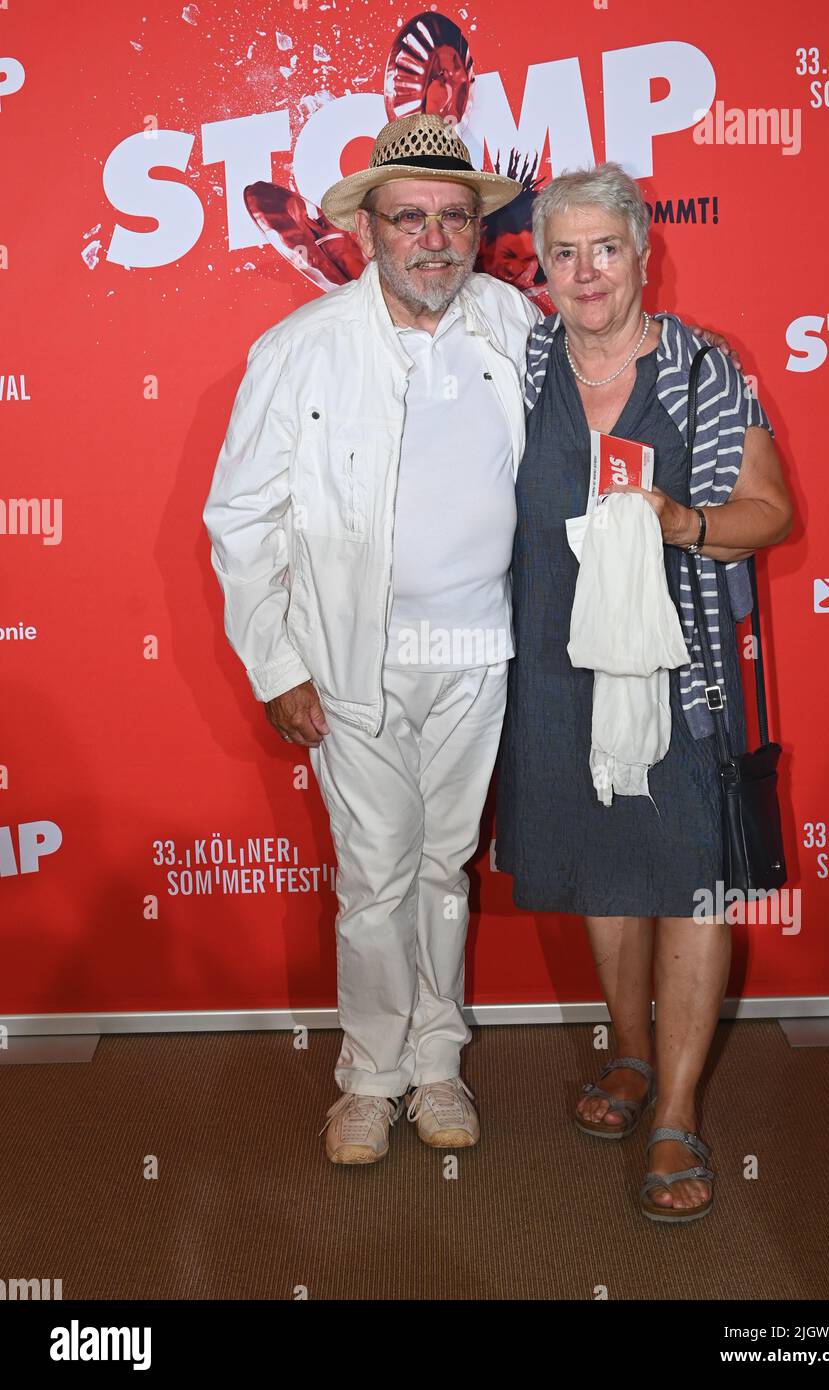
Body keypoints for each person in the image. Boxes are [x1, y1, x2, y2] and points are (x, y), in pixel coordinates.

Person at [203, 113, 539, 1163]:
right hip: (351, 662)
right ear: (366, 231)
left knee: (443, 869)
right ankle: (368, 1075)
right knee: (375, 875)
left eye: (453, 218)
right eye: (409, 219)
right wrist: (277, 661)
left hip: (481, 655)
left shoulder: (520, 333)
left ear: (477, 229)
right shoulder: (298, 352)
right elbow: (239, 518)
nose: (434, 239)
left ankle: (436, 1066)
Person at [493, 164, 793, 1222]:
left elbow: (767, 509)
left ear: (641, 255)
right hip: (555, 663)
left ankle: (672, 1111)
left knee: (689, 878)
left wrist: (683, 524)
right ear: (541, 264)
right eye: (561, 252)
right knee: (606, 869)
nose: (583, 271)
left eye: (603, 248)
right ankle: (625, 1054)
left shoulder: (706, 370)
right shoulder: (519, 361)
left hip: (683, 670)